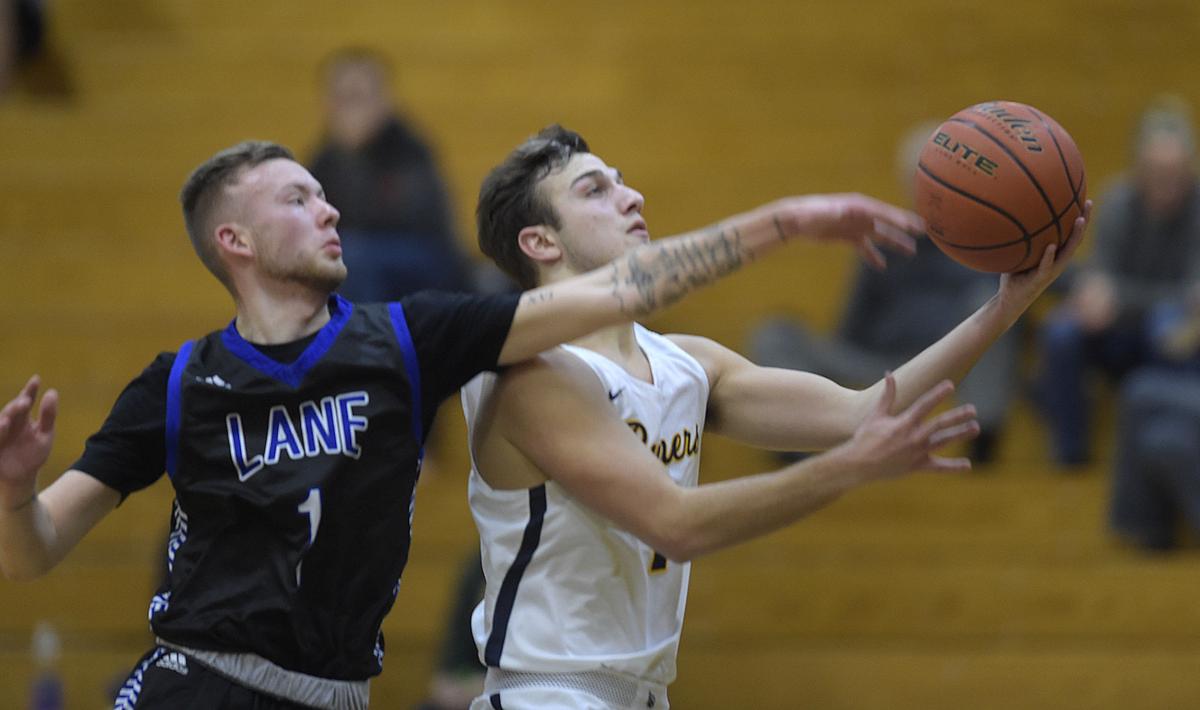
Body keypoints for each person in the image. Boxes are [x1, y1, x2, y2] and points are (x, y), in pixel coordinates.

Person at [0, 139, 924, 709]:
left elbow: (619, 289)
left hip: (336, 693)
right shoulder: (177, 385)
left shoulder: (409, 340)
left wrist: (782, 223)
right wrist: (11, 491)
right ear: (232, 242)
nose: (329, 207)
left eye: (324, 192)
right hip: (196, 684)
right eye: (296, 199)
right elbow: (31, 552)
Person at [460, 125, 1089, 709]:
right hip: (547, 693)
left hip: (640, 695)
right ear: (541, 242)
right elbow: (676, 524)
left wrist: (1008, 306)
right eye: (595, 190)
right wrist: (848, 469)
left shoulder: (687, 365)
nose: (631, 196)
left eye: (622, 180)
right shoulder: (530, 376)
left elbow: (862, 411)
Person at [750, 122, 1018, 463]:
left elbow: (1052, 274)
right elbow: (850, 329)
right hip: (880, 366)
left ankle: (982, 443)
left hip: (951, 368)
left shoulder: (995, 244)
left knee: (991, 303)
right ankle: (795, 451)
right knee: (776, 334)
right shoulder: (887, 240)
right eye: (925, 182)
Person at [1032, 96, 1200, 466]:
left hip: (1173, 333)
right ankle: (1069, 457)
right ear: (1139, 169)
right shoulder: (1118, 201)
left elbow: (1192, 297)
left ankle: (1160, 452)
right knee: (1061, 332)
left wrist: (1117, 296)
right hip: (1117, 329)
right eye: (1156, 173)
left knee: (1169, 326)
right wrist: (1095, 294)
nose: (1166, 184)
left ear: (1190, 169)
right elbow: (1099, 278)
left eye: (1174, 174)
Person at [308, 48, 472, 299]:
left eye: (357, 98)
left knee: (353, 256)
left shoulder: (409, 150)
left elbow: (412, 221)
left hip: (426, 260)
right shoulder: (325, 159)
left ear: (383, 101)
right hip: (360, 256)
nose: (349, 111)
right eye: (341, 99)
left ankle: (363, 326)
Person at [1109, 298, 1200, 551]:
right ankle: (1152, 527)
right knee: (1163, 440)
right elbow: (1171, 346)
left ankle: (1130, 519)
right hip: (1188, 413)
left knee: (1139, 391)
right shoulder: (1181, 302)